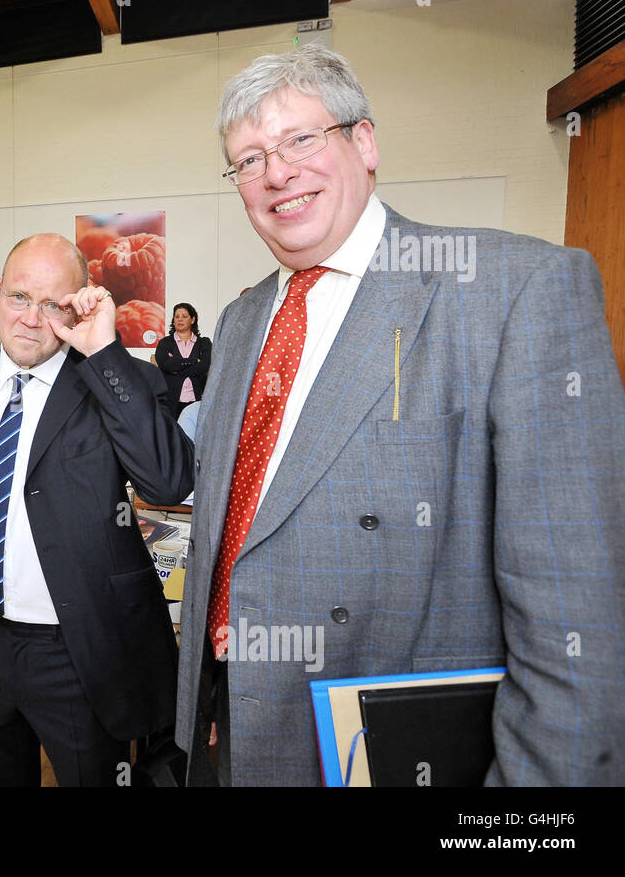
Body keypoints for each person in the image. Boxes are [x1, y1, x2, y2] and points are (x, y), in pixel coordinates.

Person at [175, 44, 625, 786]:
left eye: (299, 139)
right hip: (237, 733)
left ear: (365, 141)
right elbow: (236, 541)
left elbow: (578, 633)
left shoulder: (515, 292)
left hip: (391, 755)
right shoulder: (243, 317)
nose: (276, 173)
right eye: (248, 159)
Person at [0, 233, 194, 787]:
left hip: (78, 650)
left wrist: (103, 352)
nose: (31, 319)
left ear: (80, 304)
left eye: (53, 304)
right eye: (19, 298)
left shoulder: (112, 378)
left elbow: (170, 479)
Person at [153, 302, 211, 415]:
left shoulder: (204, 343)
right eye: (177, 316)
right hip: (170, 401)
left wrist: (176, 367)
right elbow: (165, 364)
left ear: (193, 319)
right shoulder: (165, 343)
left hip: (195, 400)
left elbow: (204, 366)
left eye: (184, 316)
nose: (180, 319)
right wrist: (194, 361)